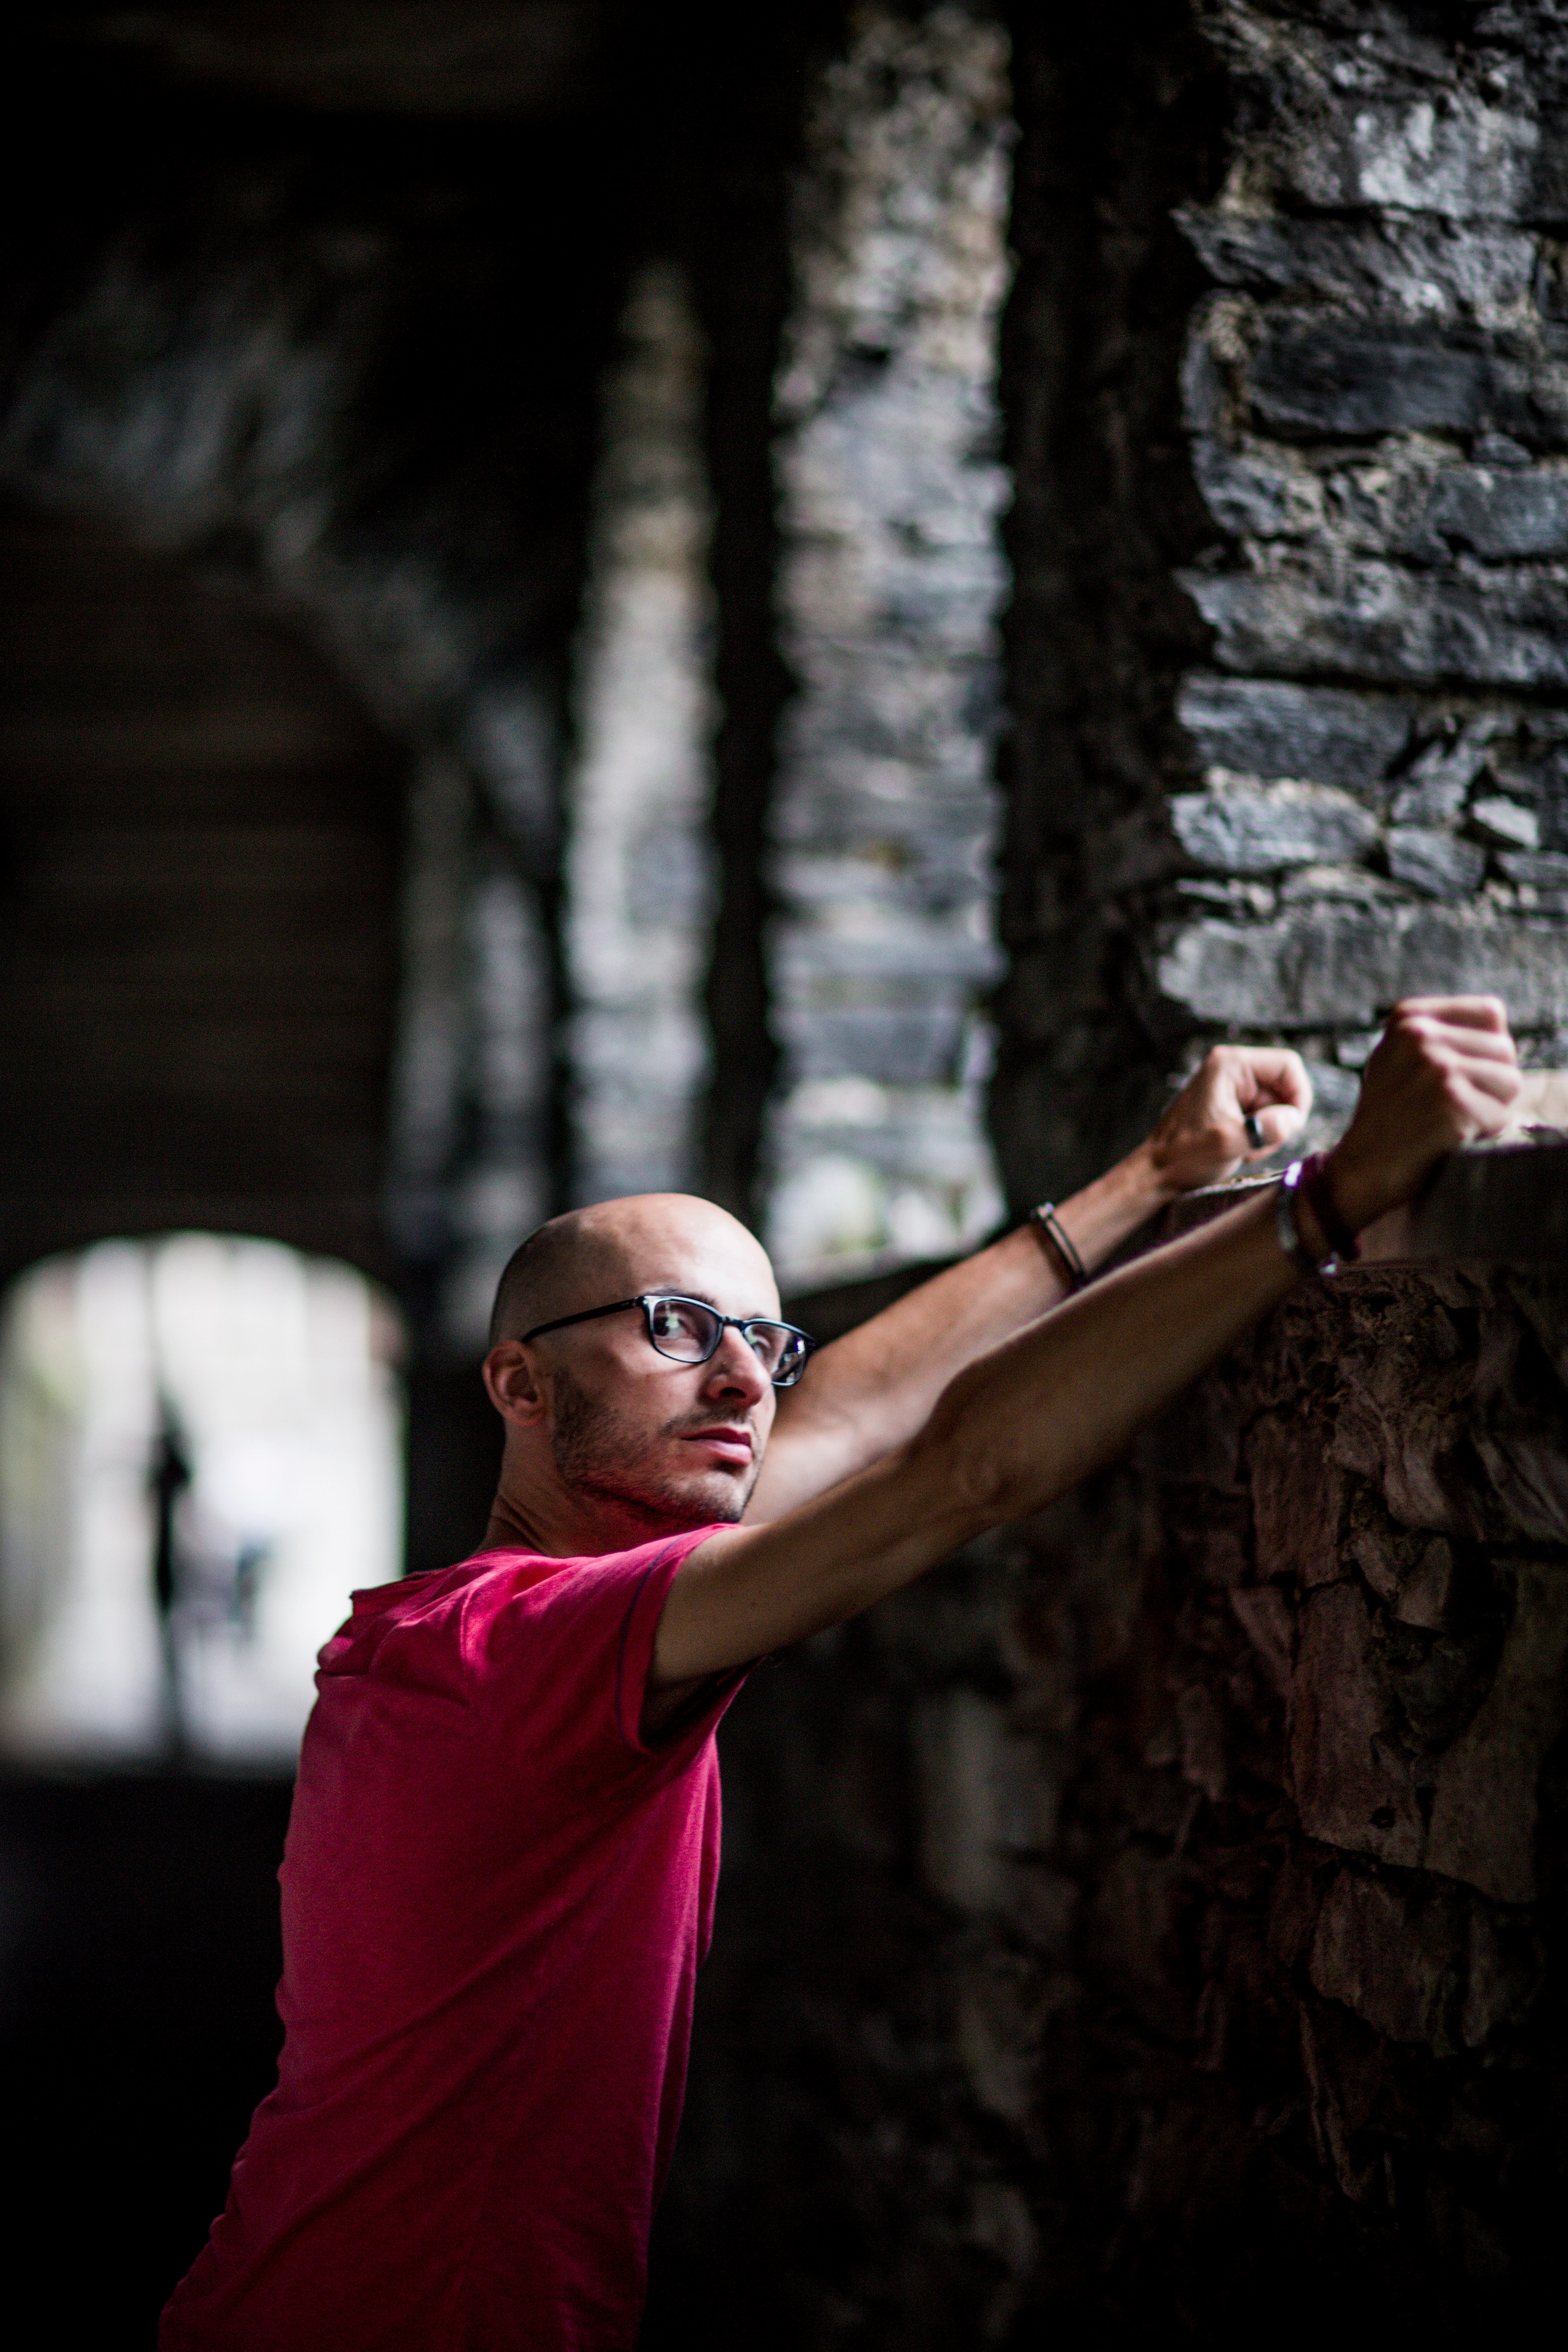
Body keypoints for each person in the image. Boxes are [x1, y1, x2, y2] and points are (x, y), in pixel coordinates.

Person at [160, 995, 1521, 2352]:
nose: (747, 1383)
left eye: (765, 1338)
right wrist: (1330, 1201)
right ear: (519, 1385)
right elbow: (959, 1475)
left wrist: (1150, 1177)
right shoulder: (525, 1650)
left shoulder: (497, 1615)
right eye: (681, 1327)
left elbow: (864, 1413)